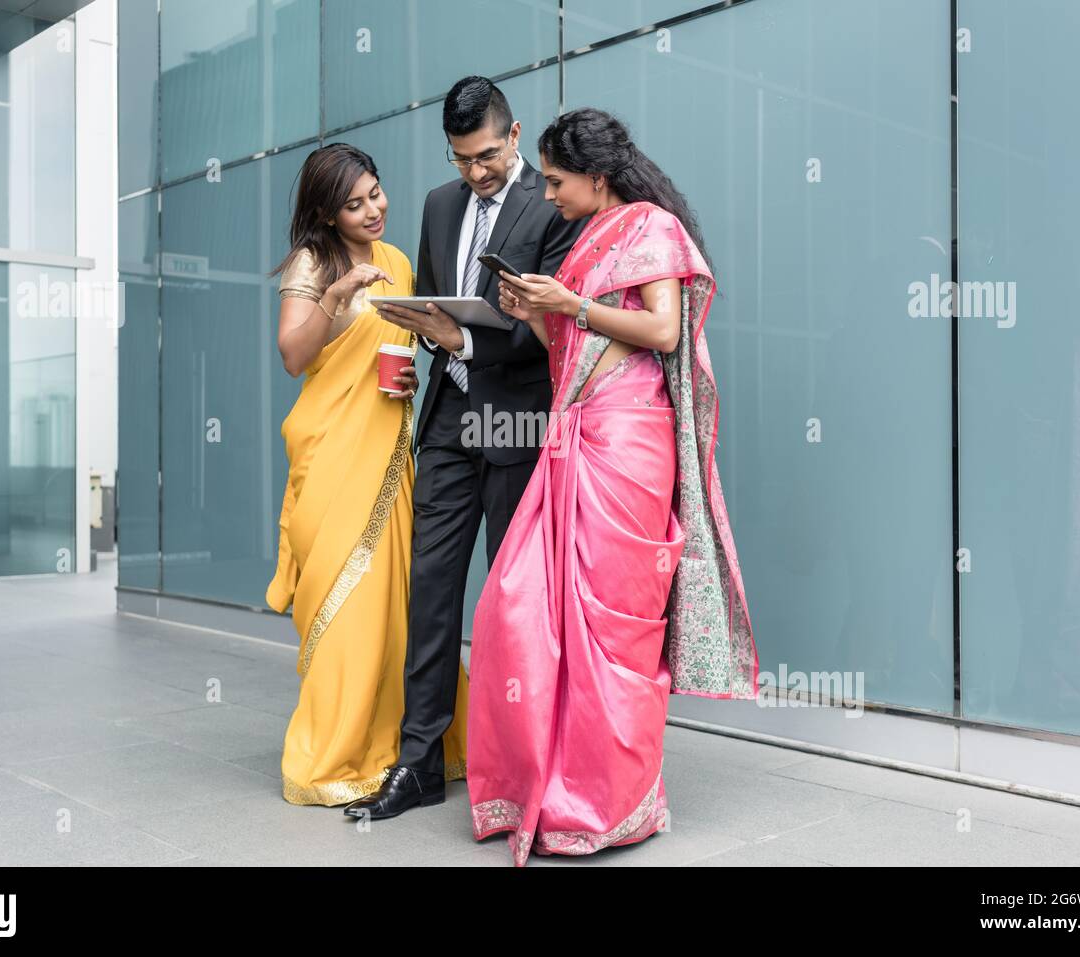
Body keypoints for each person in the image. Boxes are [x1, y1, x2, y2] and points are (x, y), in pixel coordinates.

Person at [466, 108, 759, 865]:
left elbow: (662, 331)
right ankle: (551, 783)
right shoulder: (588, 236)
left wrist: (569, 305)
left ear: (597, 177)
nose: (549, 192)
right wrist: (535, 313)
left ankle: (612, 802)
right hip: (573, 432)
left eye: (557, 180)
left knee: (614, 624)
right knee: (523, 606)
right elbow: (573, 342)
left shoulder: (652, 229)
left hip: (628, 441)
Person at [346, 77, 583, 820]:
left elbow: (555, 328)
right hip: (448, 422)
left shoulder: (551, 203)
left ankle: (525, 763)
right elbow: (433, 302)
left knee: (515, 603)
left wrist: (465, 336)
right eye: (460, 159)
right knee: (433, 593)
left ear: (514, 136)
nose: (475, 172)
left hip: (515, 422)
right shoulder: (438, 206)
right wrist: (423, 328)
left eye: (485, 155)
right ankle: (419, 762)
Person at [264, 143, 467, 806]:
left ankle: (400, 748)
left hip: (385, 452)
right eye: (354, 204)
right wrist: (336, 294)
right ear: (327, 213)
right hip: (331, 454)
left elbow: (398, 347)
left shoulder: (400, 262)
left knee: (392, 608)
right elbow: (296, 355)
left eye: (376, 193)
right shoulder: (312, 262)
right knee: (342, 603)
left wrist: (406, 375)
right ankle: (337, 752)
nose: (374, 210)